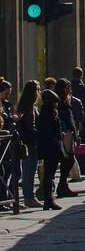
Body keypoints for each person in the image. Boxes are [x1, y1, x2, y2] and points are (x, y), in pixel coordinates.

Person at [36, 89, 63, 210]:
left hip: (49, 147)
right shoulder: (47, 114)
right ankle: (48, 199)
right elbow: (50, 133)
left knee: (49, 175)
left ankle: (49, 199)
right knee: (49, 175)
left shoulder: (46, 113)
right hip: (50, 147)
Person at [15, 80, 41, 208]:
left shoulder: (26, 106)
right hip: (30, 143)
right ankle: (29, 197)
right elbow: (31, 126)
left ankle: (28, 196)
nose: (39, 92)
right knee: (29, 171)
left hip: (30, 142)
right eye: (38, 89)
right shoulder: (29, 108)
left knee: (28, 171)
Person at [54, 79, 81, 197]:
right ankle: (62, 185)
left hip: (69, 132)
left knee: (69, 159)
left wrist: (76, 134)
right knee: (67, 159)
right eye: (66, 88)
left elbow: (71, 119)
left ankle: (63, 184)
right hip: (64, 133)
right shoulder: (59, 102)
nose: (69, 90)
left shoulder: (67, 101)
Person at [70, 67, 85, 143]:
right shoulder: (82, 87)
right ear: (81, 75)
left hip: (71, 112)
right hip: (80, 113)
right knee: (83, 138)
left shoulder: (70, 86)